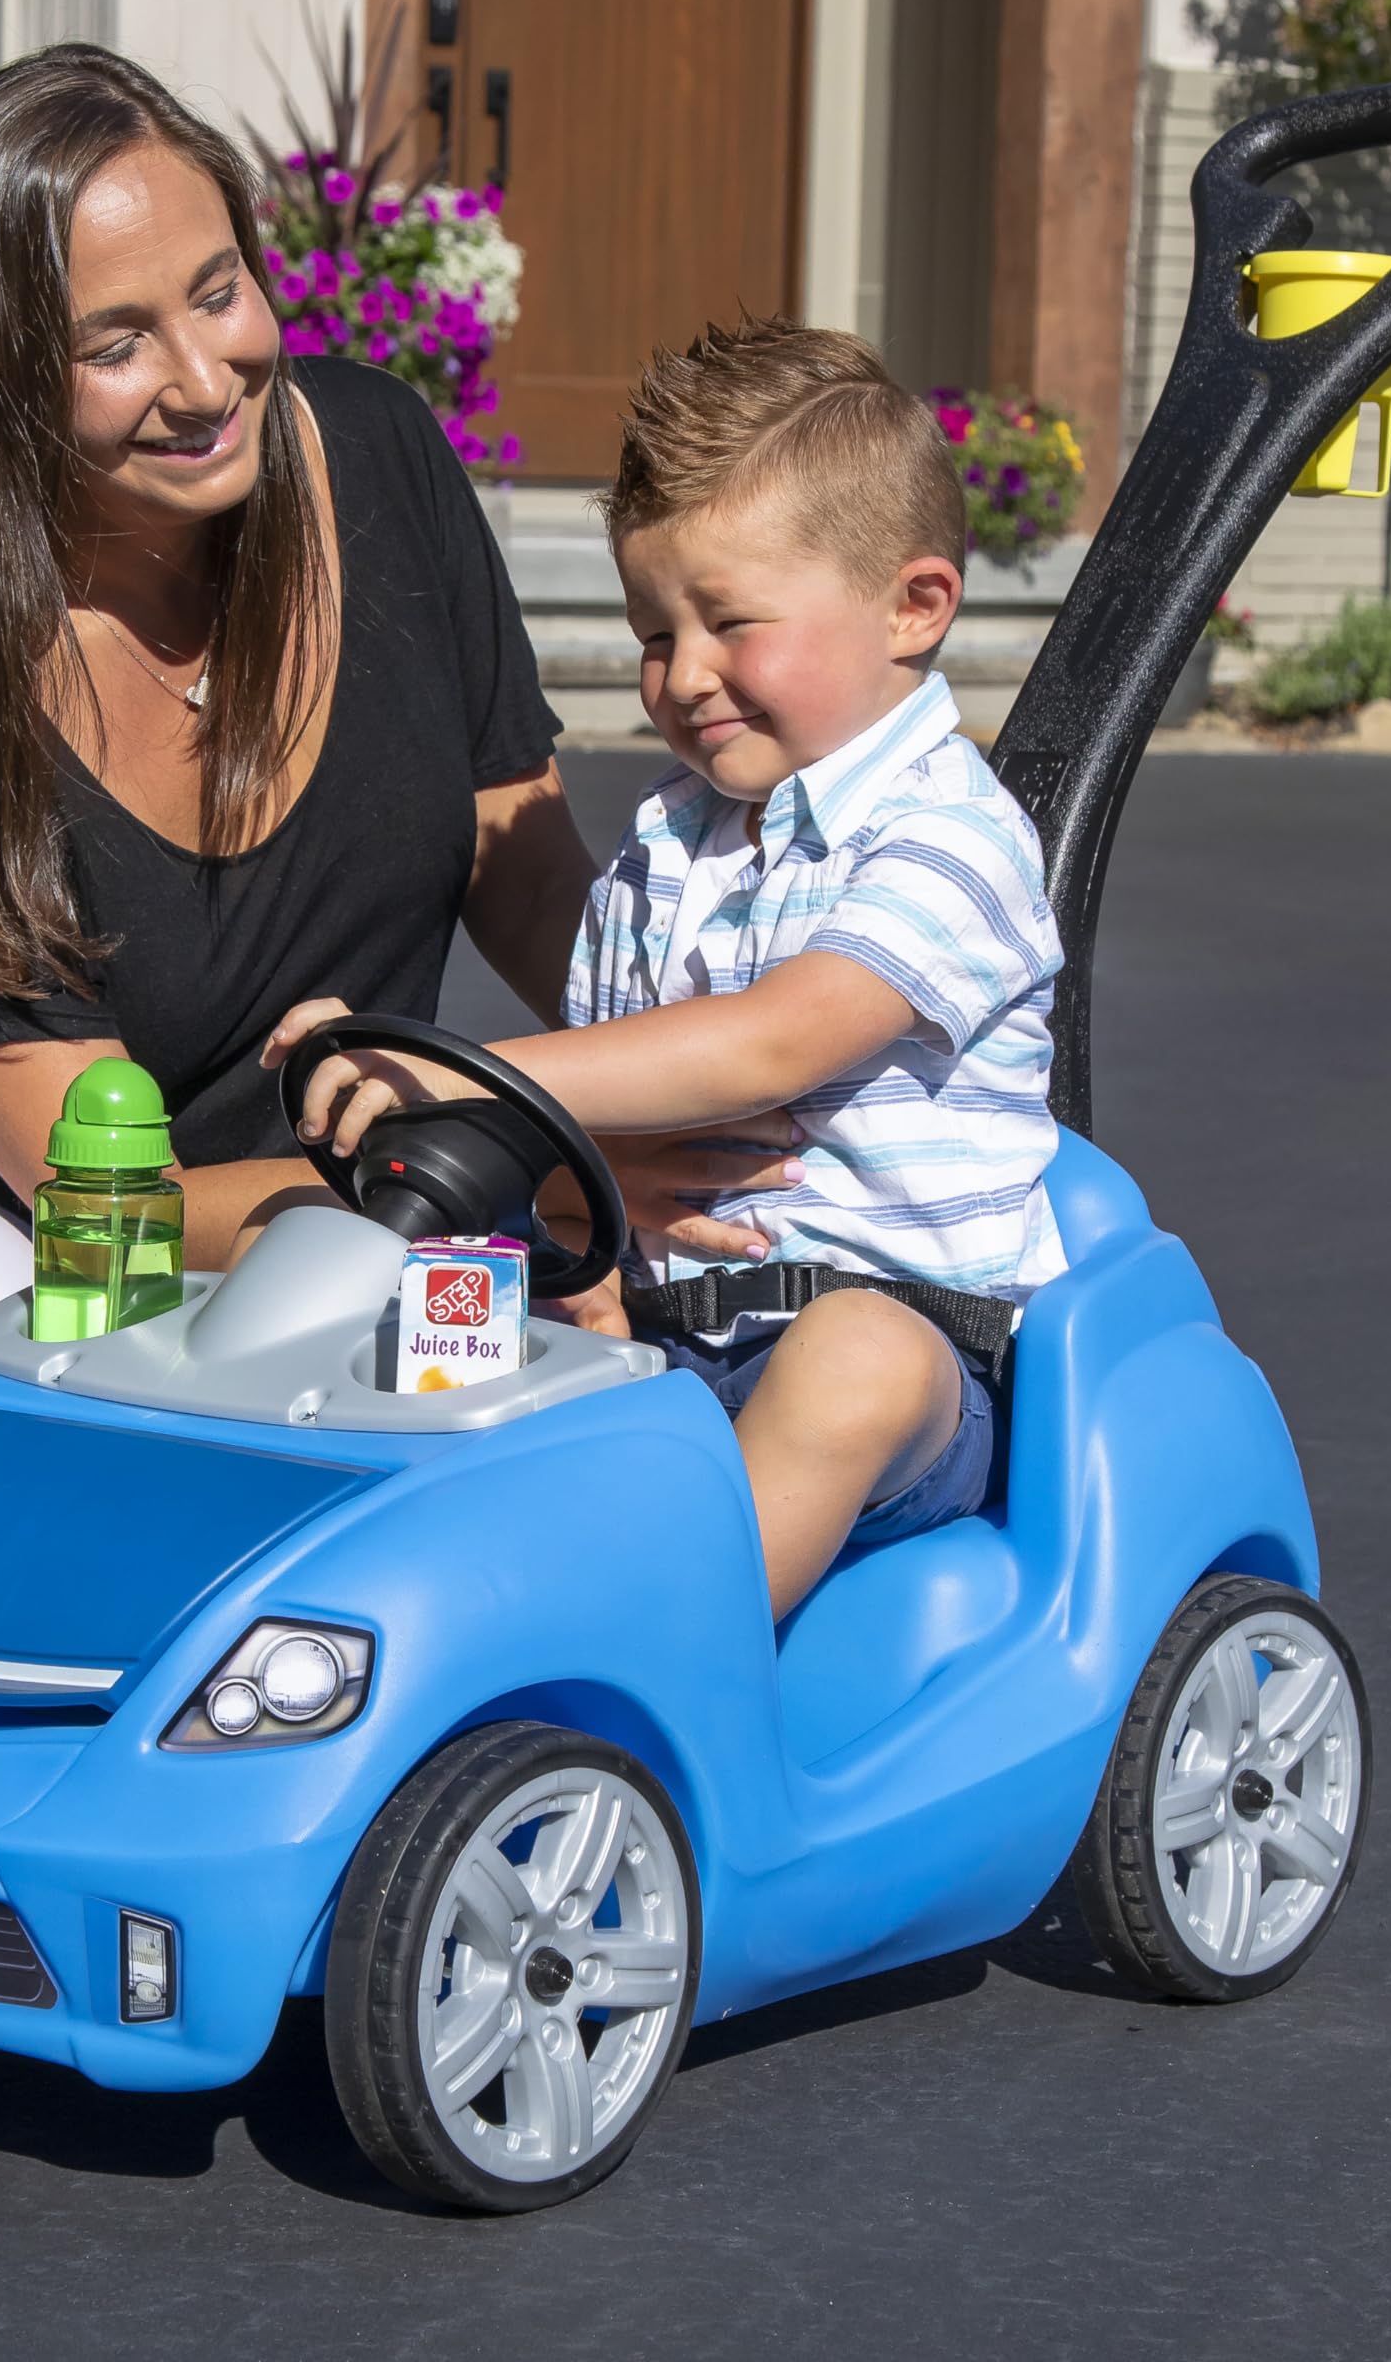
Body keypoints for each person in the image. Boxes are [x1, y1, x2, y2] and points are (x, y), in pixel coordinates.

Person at [0, 45, 791, 1420]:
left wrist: (670, 1113)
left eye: (219, 292)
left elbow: (523, 874)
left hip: (351, 1218)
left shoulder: (379, 457)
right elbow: (112, 1206)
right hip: (12, 1227)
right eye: (114, 345)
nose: (205, 378)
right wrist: (509, 1167)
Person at [273, 319, 1066, 1618]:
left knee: (850, 1361)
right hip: (664, 1329)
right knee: (416, 1299)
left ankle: (667, 1668)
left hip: (912, 1360)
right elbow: (615, 1110)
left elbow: (775, 1042)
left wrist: (441, 1069)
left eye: (730, 623)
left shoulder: (953, 835)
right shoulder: (669, 842)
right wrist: (569, 1240)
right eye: (653, 633)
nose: (683, 675)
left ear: (913, 605)